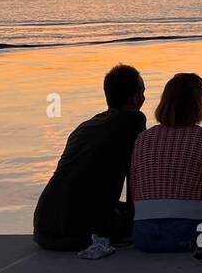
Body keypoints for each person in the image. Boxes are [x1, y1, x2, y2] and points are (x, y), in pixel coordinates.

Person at [33, 64, 147, 257]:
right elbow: (134, 177)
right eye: (142, 92)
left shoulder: (86, 126)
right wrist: (138, 219)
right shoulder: (134, 120)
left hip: (43, 226)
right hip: (78, 233)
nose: (143, 98)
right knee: (142, 219)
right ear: (134, 98)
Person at [130, 72, 202, 252]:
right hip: (192, 235)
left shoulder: (143, 138)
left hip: (143, 237)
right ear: (197, 104)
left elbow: (134, 191)